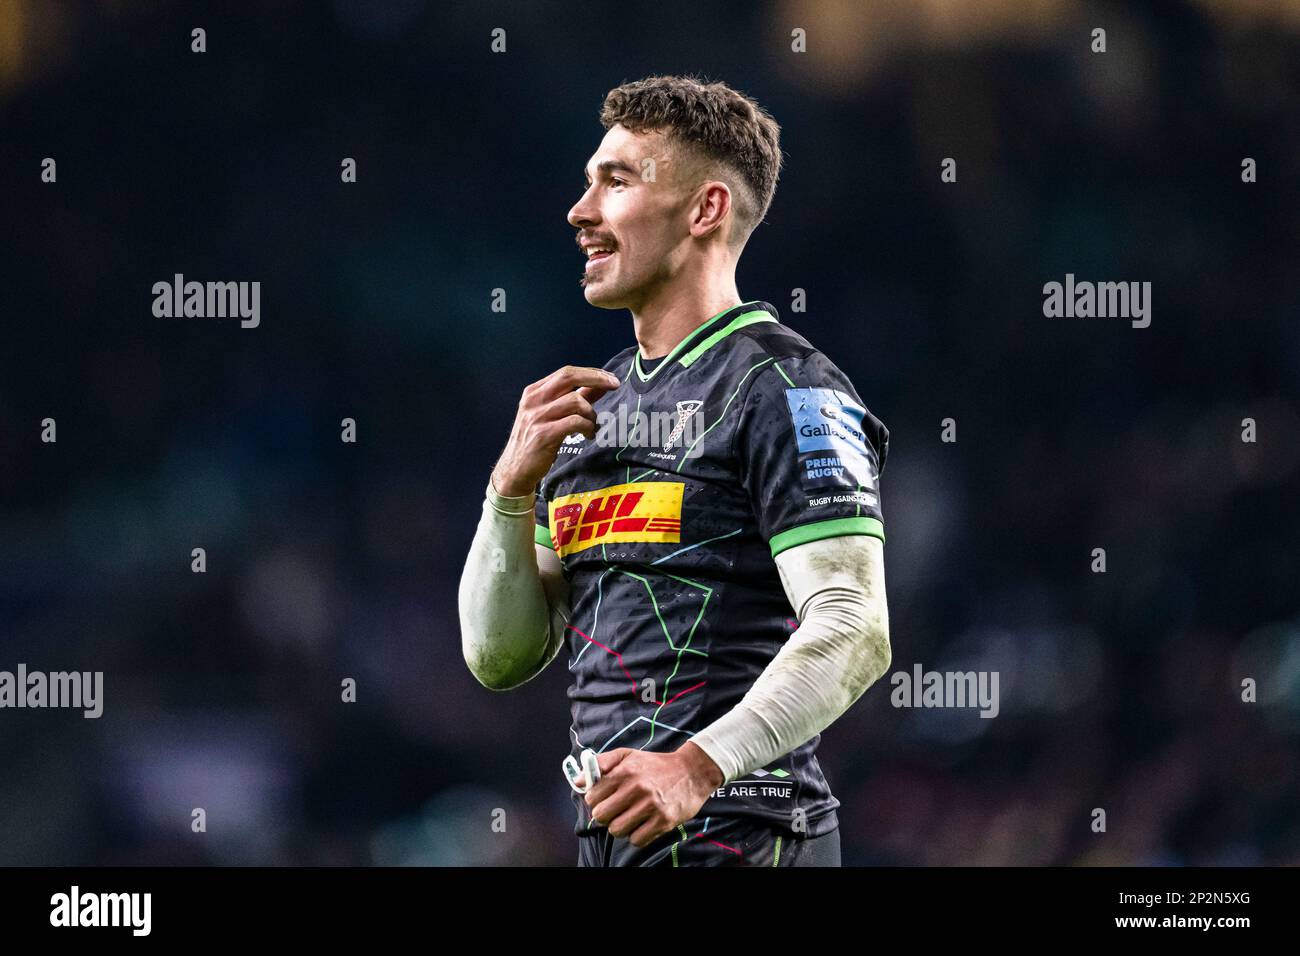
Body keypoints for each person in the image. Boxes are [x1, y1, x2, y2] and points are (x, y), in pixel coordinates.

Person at [458, 75, 891, 867]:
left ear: (706, 210)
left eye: (616, 181)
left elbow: (854, 628)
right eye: (589, 181)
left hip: (747, 836)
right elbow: (499, 656)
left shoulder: (786, 389)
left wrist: (696, 768)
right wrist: (507, 494)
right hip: (620, 841)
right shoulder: (593, 408)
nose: (580, 210)